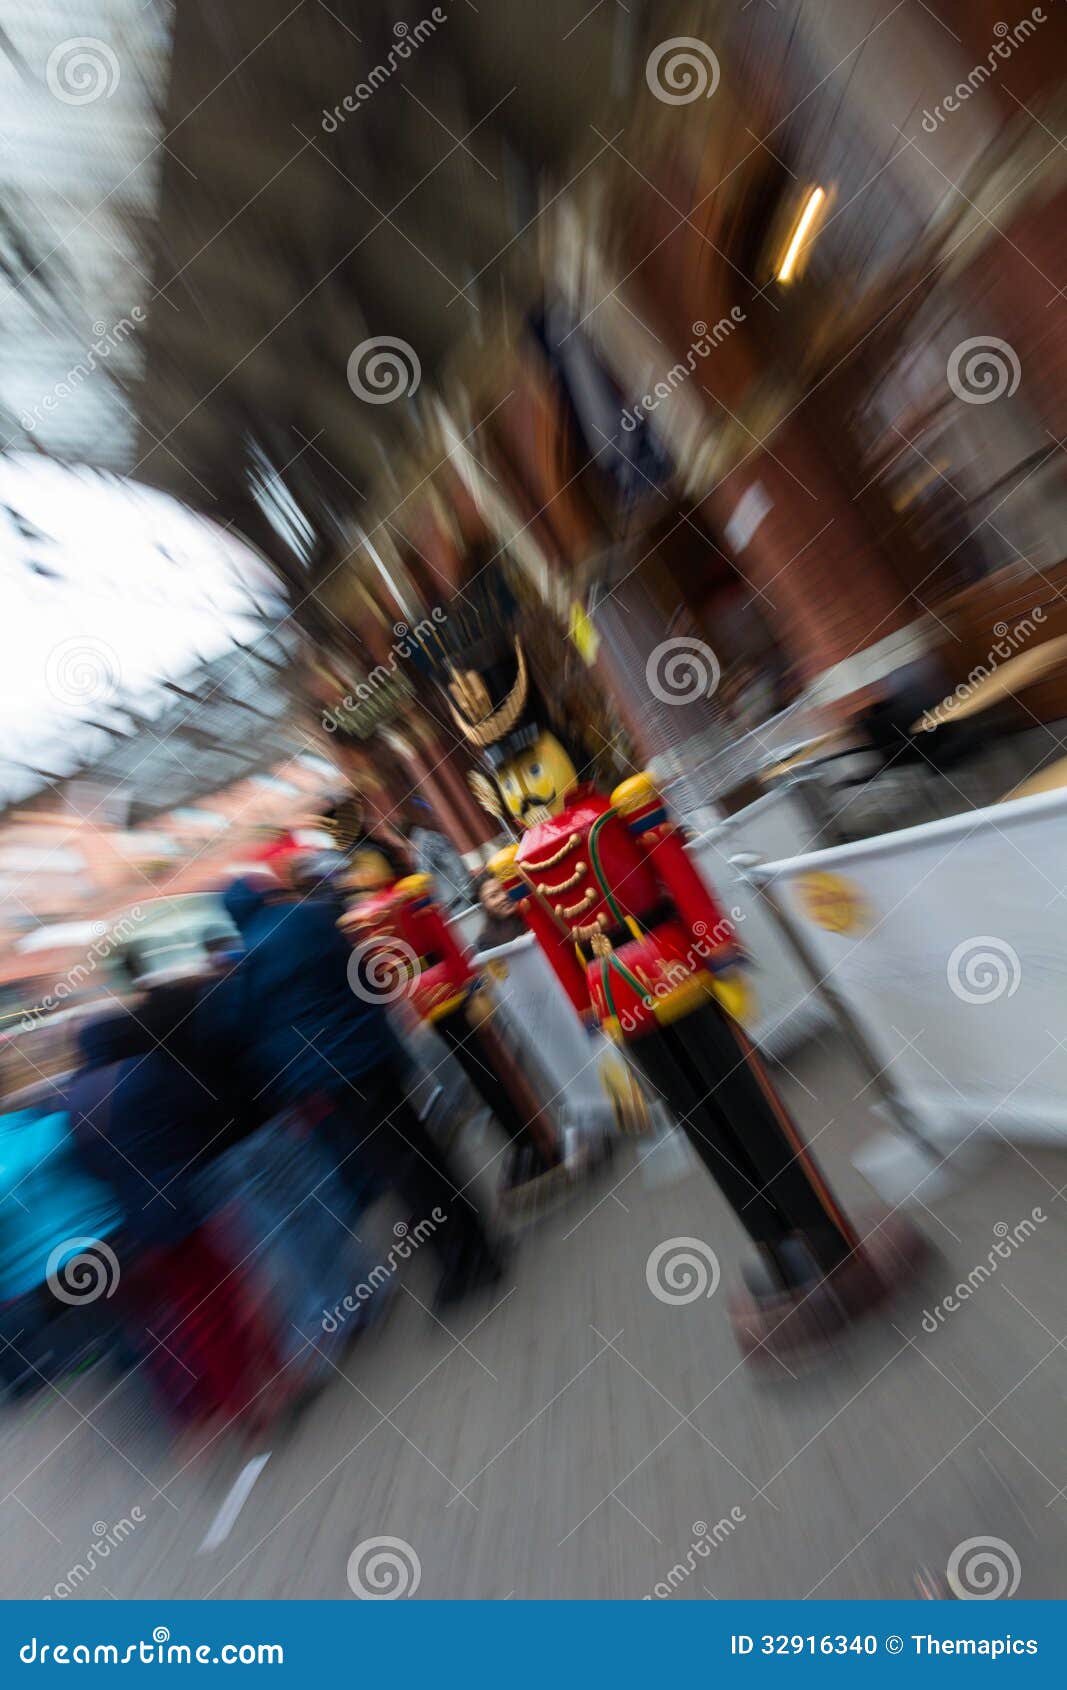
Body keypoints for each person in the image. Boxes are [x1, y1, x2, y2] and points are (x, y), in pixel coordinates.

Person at [214, 875, 504, 1308]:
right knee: (427, 1150)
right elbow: (365, 975)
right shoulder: (313, 917)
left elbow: (250, 1030)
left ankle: (463, 1264)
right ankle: (481, 1243)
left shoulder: (249, 960)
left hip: (339, 1080)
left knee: (406, 1173)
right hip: (376, 1056)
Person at [396, 800, 475, 912]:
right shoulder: (418, 851)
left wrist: (469, 895)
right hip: (449, 909)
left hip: (461, 904)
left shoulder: (431, 840)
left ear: (402, 839)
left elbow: (456, 863)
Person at [473, 870, 527, 951]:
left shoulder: (532, 911)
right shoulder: (486, 941)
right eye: (493, 896)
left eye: (505, 888)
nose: (504, 897)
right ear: (484, 905)